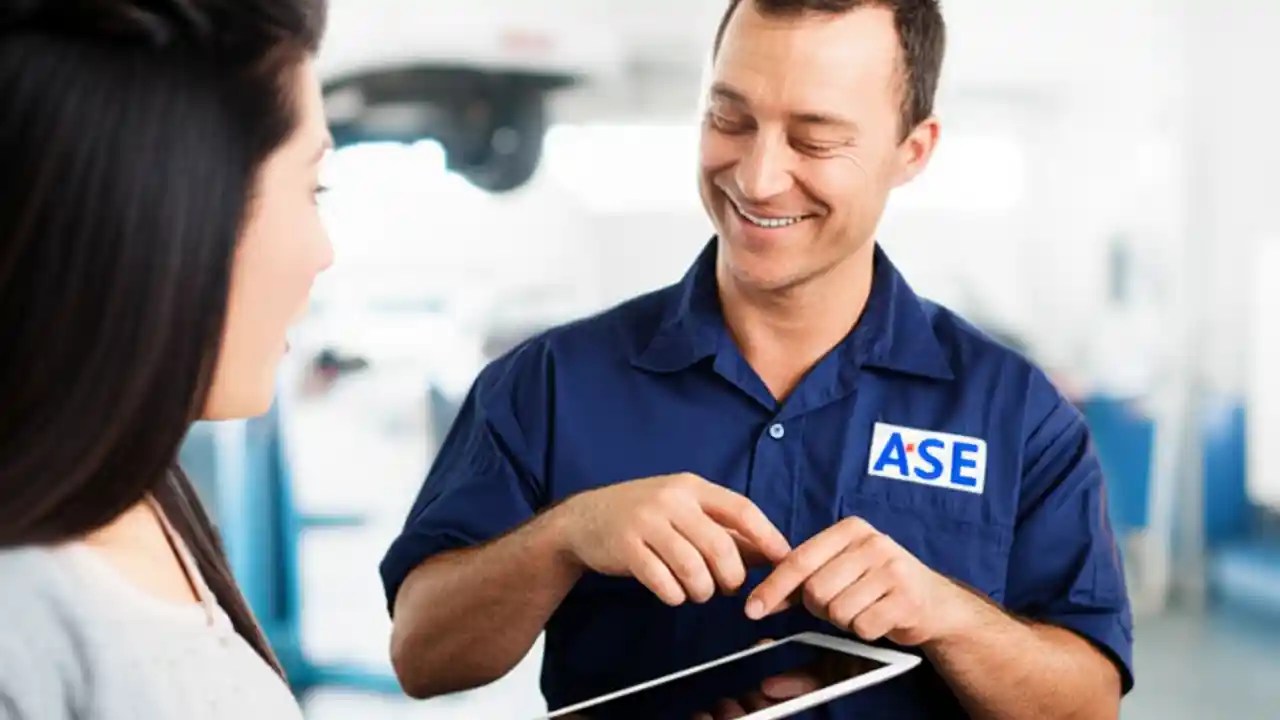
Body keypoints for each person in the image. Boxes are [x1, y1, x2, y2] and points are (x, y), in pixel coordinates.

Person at [380, 1, 1133, 718]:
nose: (757, 176)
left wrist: (949, 619)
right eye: (729, 118)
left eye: (815, 139)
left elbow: (1087, 704)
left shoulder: (1015, 412)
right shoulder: (549, 384)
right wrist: (565, 537)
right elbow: (423, 656)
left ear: (913, 151)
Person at [0, 0, 332, 718]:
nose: (324, 253)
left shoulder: (140, 496)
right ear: (171, 216)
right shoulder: (20, 621)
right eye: (313, 188)